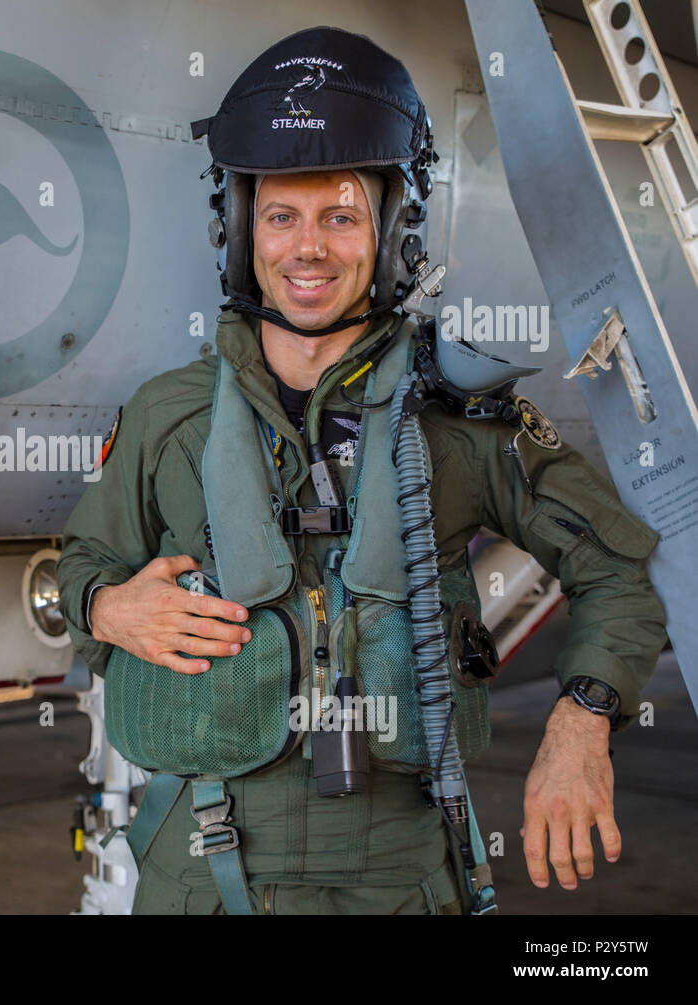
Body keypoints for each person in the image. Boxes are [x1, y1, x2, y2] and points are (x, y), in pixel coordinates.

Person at [57, 26, 669, 915]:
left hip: (401, 872)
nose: (308, 249)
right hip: (206, 865)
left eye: (340, 217)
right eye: (281, 216)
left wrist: (582, 723)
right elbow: (82, 569)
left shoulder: (460, 423)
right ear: (238, 230)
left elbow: (615, 566)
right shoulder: (168, 416)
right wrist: (108, 606)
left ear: (392, 228)